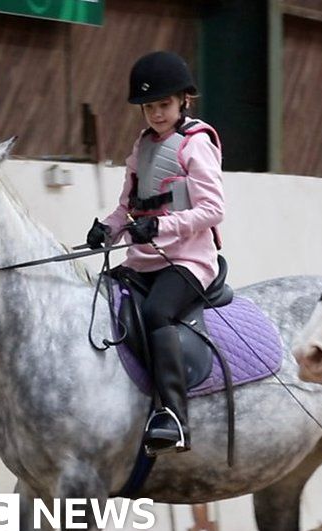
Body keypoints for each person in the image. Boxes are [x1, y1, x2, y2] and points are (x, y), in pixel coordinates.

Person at [87, 50, 225, 456]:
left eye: (163, 105)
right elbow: (127, 206)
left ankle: (174, 416)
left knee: (155, 313)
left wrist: (162, 226)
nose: (156, 114)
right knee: (98, 300)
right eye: (149, 107)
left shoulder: (196, 145)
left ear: (184, 100)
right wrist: (107, 229)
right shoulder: (143, 145)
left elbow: (213, 210)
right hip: (142, 260)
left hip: (188, 262)